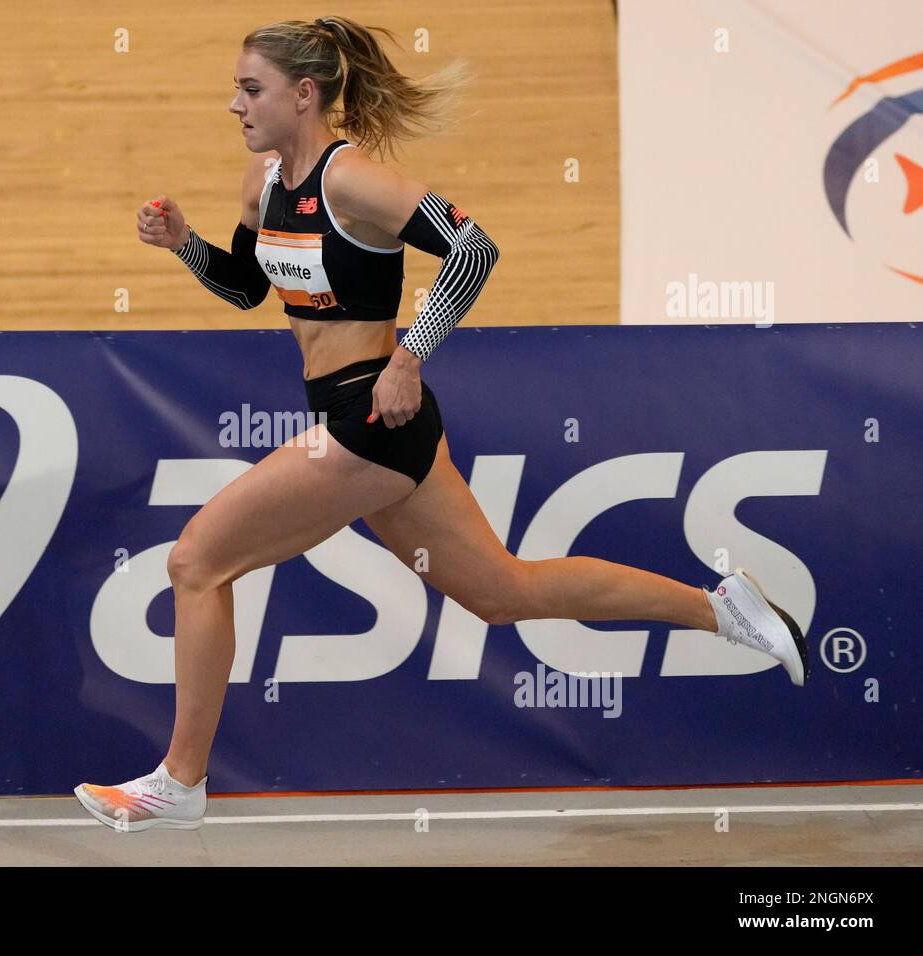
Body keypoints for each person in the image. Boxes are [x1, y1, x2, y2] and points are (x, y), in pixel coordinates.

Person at [74, 15, 808, 832]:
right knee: (504, 592)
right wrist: (184, 245)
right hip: (370, 426)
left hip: (371, 417)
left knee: (197, 563)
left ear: (304, 94)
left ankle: (181, 781)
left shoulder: (352, 182)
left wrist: (409, 354)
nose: (233, 105)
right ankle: (723, 609)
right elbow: (248, 288)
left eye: (251, 89)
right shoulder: (262, 183)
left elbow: (473, 248)